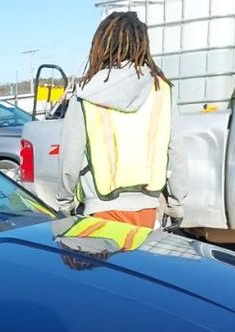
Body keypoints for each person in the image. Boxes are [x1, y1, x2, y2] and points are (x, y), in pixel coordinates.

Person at [56, 11, 187, 228]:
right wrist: (176, 203)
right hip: (147, 210)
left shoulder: (85, 92)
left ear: (101, 45)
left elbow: (70, 157)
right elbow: (176, 152)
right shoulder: (161, 89)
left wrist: (64, 204)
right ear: (142, 44)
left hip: (98, 211)